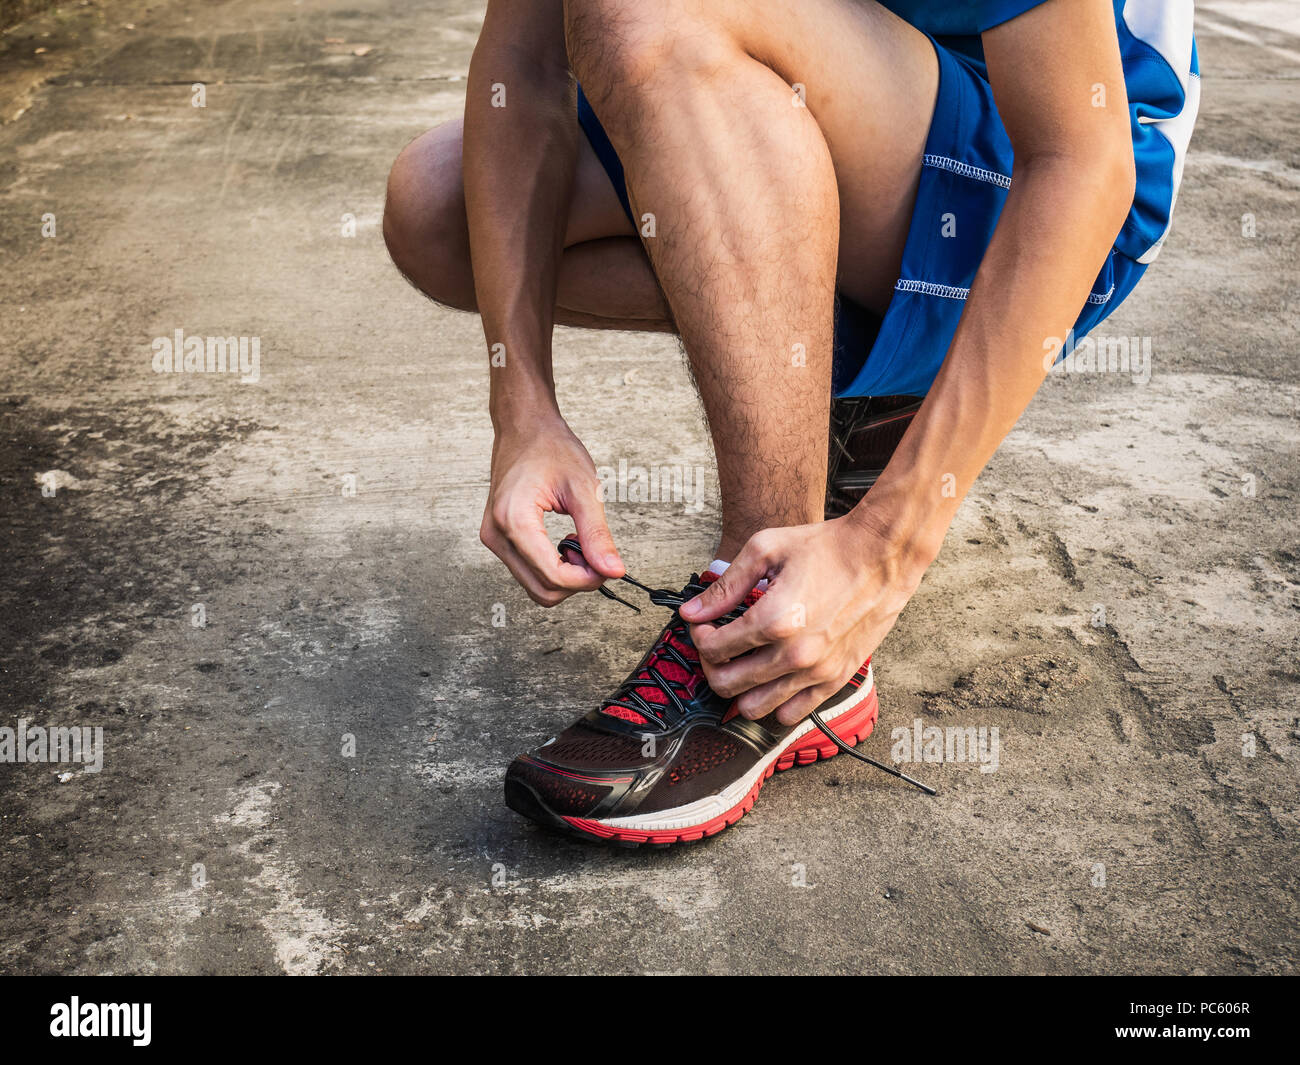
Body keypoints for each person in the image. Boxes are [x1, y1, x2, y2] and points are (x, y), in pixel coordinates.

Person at [382, 0, 1199, 844]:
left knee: (647, 10)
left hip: (1048, 183)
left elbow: (1080, 159)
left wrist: (886, 548)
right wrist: (523, 412)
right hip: (829, 88)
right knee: (442, 207)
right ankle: (859, 395)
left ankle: (766, 624)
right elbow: (527, 71)